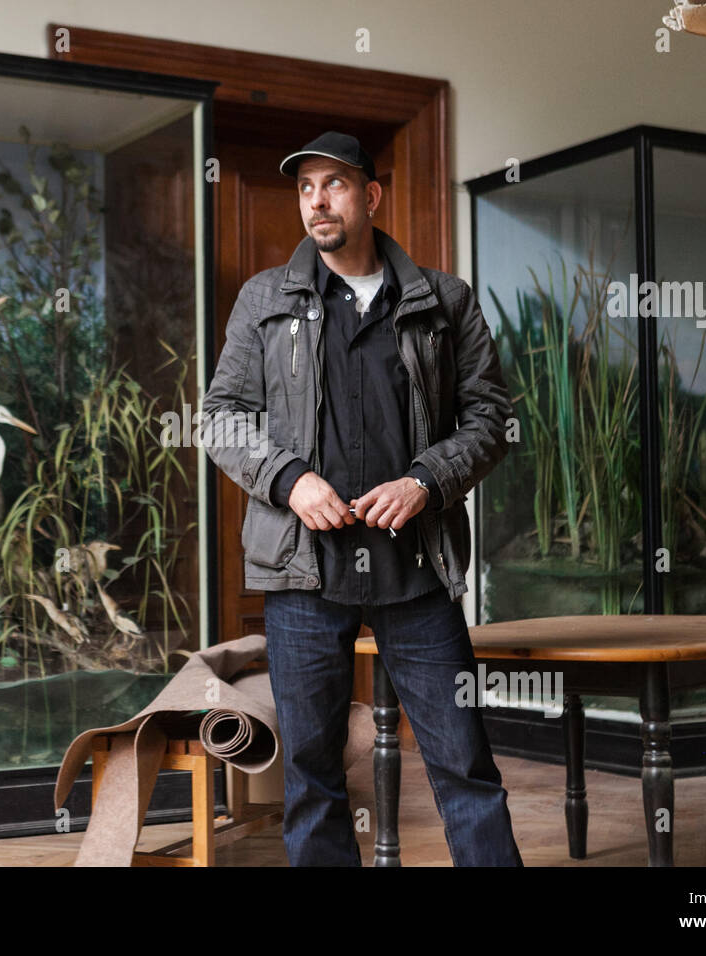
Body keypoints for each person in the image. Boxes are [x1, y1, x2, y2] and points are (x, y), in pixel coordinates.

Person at [200, 131, 523, 866]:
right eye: (305, 187)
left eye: (334, 184)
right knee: (312, 776)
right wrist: (289, 479)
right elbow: (220, 417)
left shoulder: (444, 300)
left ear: (370, 196)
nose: (317, 200)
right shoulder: (265, 300)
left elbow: (489, 420)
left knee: (465, 765)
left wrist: (425, 482)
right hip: (304, 576)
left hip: (418, 572)